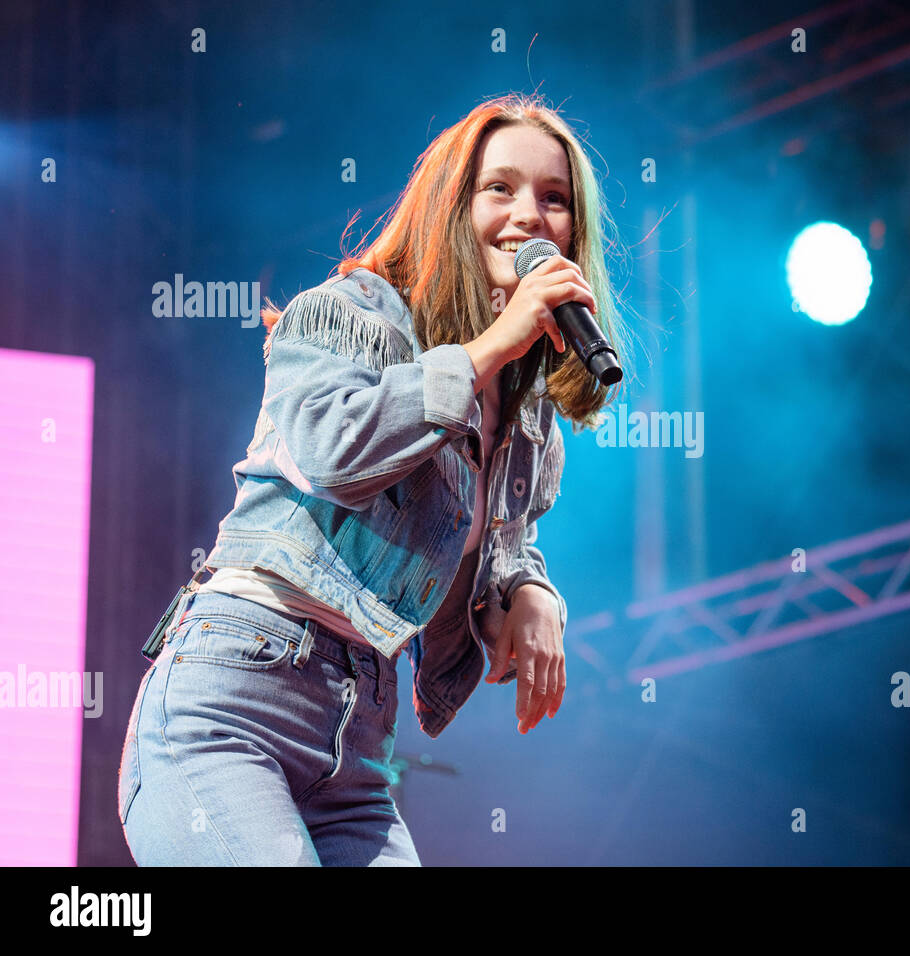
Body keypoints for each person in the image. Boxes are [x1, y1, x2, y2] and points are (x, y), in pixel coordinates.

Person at [117, 93, 631, 866]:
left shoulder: (525, 426)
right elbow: (335, 451)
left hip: (358, 740)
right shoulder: (350, 316)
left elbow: (497, 548)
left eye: (554, 199)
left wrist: (528, 593)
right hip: (232, 702)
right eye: (501, 189)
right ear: (451, 208)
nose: (530, 215)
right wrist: (493, 345)